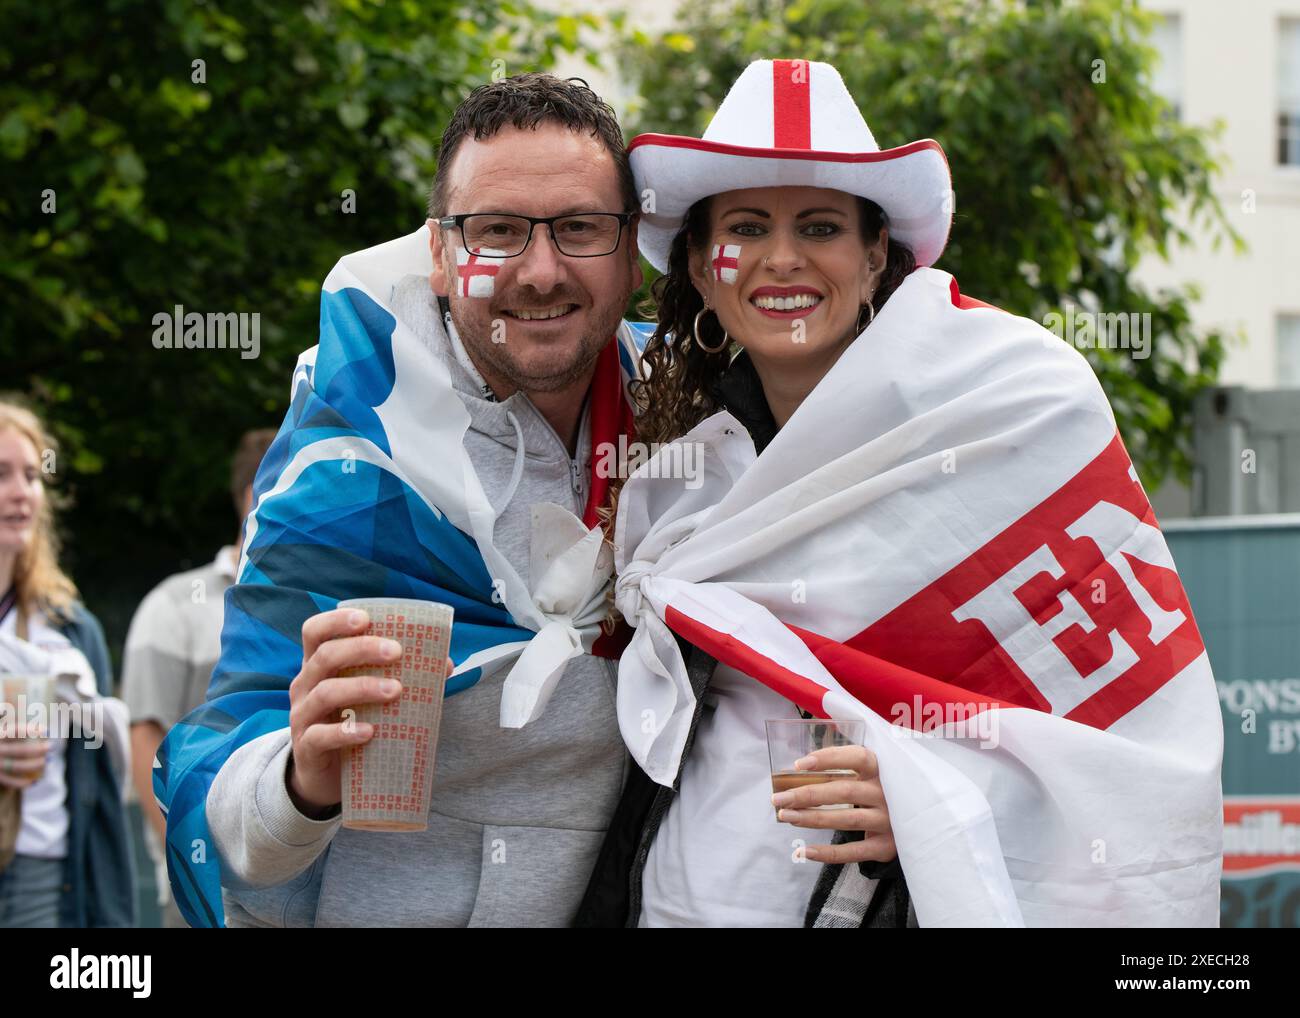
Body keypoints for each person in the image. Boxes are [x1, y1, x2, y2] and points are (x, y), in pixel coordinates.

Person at [579, 59, 1221, 928]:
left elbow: (1140, 749)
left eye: (819, 225)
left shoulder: (1013, 404)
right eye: (745, 227)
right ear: (698, 264)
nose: (780, 258)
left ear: (876, 252)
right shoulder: (676, 488)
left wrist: (935, 797)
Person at [159, 73, 647, 927]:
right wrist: (301, 780)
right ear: (440, 251)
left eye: (580, 228)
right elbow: (225, 782)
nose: (540, 270)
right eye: (496, 231)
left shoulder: (698, 424)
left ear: (633, 249)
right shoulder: (349, 449)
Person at [122, 427, 277, 927]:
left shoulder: (327, 605)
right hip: (203, 890)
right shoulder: (172, 605)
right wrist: (189, 862)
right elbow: (144, 737)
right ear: (256, 492)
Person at [0, 397, 135, 927]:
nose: (21, 491)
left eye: (32, 475)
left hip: (45, 874)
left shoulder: (69, 630)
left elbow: (103, 788)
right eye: (2, 473)